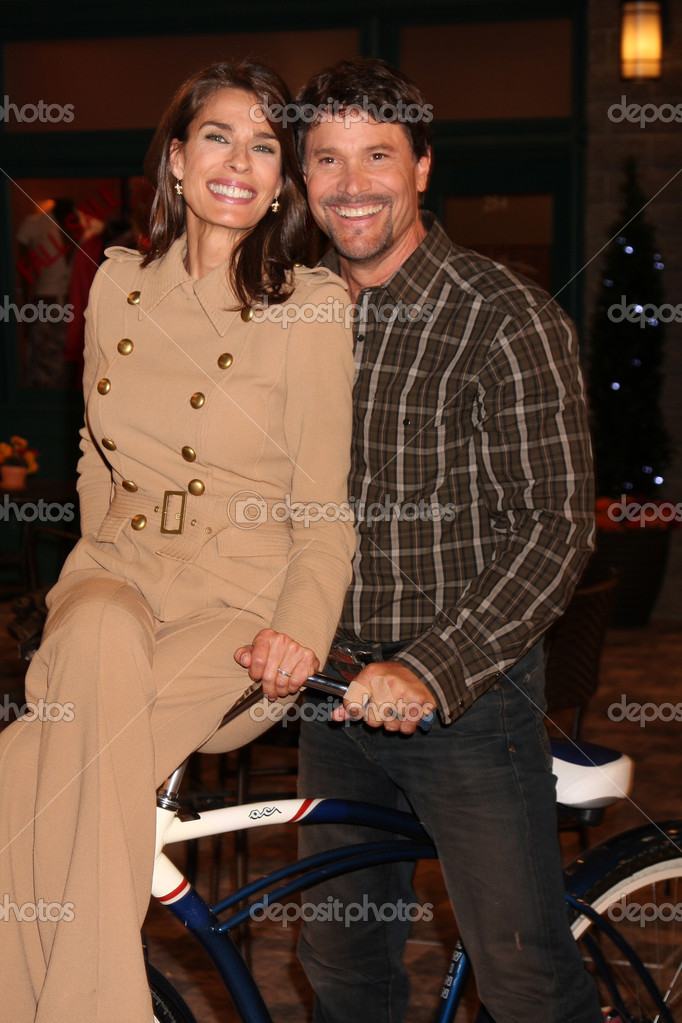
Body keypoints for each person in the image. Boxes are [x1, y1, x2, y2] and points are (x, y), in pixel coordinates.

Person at [0, 59, 355, 1022]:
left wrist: (301, 629)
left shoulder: (311, 308)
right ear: (176, 157)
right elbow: (91, 445)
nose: (238, 161)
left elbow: (326, 502)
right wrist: (97, 545)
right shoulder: (118, 284)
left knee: (33, 776)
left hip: (234, 609)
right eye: (217, 136)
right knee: (100, 639)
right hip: (118, 573)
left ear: (282, 181)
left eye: (264, 146)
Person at [294, 58, 603, 1023]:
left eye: (378, 155)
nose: (352, 185)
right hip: (332, 697)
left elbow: (555, 526)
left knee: (525, 981)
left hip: (468, 706)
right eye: (327, 159)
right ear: (303, 179)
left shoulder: (502, 315)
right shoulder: (294, 318)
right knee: (341, 967)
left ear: (423, 166)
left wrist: (431, 668)